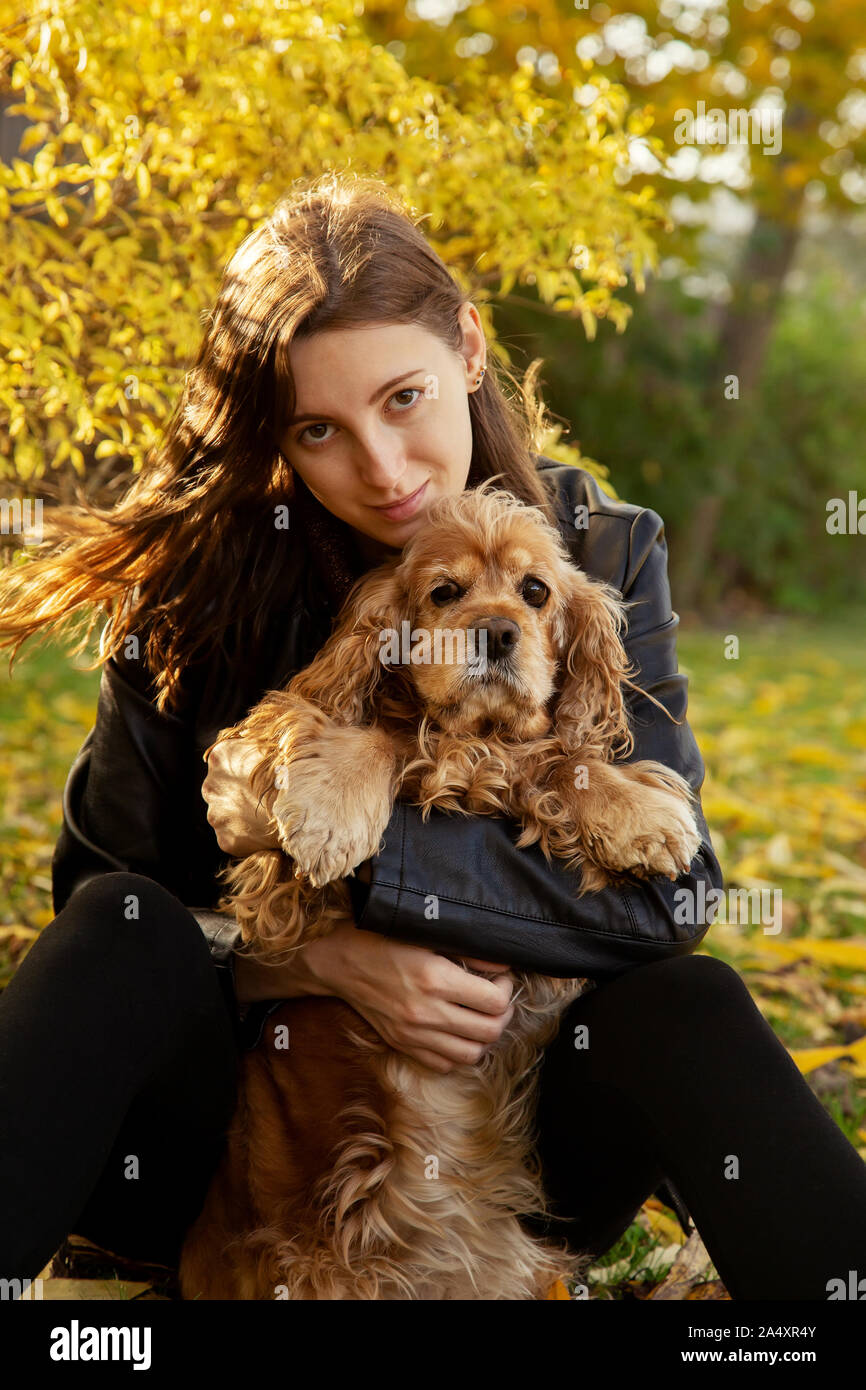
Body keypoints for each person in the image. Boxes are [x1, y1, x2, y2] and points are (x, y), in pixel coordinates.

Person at [1, 173, 865, 1302]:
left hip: (500, 1150)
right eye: (319, 429)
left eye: (403, 397)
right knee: (119, 928)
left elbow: (670, 898)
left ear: (465, 346)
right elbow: (110, 905)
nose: (384, 469)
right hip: (228, 1164)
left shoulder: (600, 550)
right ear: (278, 439)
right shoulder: (200, 591)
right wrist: (313, 962)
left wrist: (396, 880)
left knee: (687, 1002)